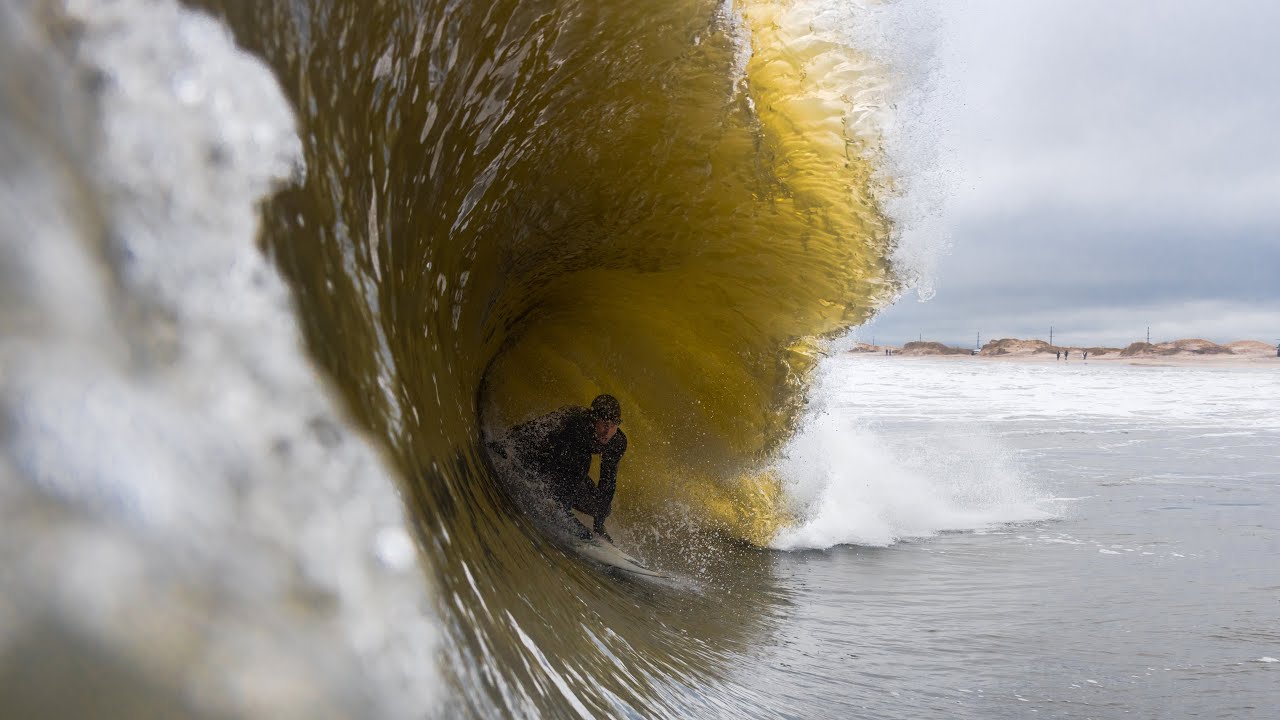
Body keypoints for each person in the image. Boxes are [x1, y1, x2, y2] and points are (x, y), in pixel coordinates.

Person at [506, 394, 627, 542]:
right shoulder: (575, 423)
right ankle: (556, 508)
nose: (607, 432)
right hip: (537, 457)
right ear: (593, 418)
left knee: (602, 507)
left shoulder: (617, 442)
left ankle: (560, 506)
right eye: (604, 423)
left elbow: (608, 482)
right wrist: (506, 446)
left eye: (613, 425)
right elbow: (533, 429)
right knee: (577, 465)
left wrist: (599, 525)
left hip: (564, 466)